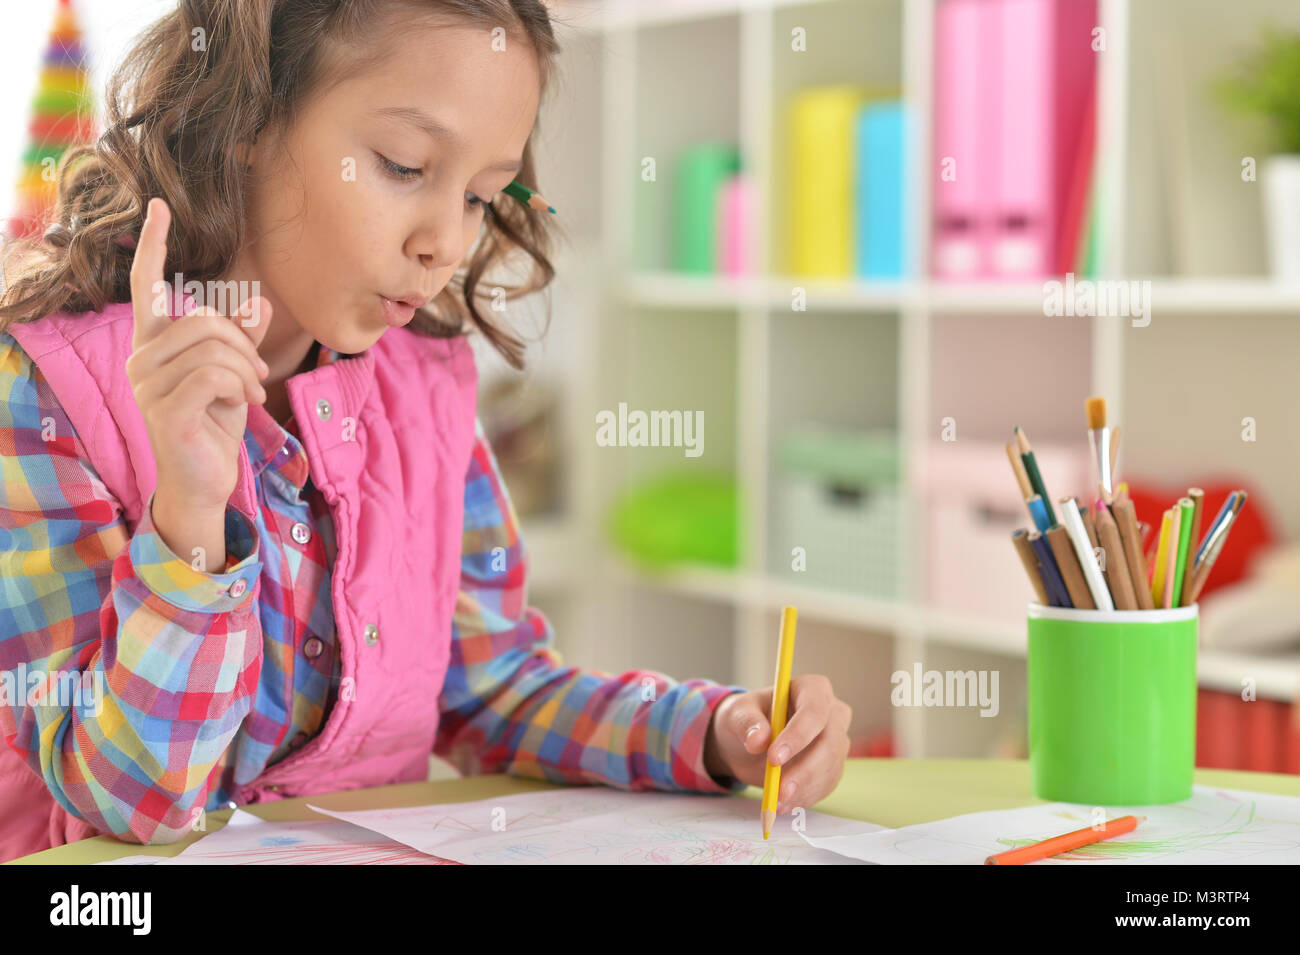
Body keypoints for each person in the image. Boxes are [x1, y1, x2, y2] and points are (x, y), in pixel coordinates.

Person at [0, 0, 850, 862]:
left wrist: (711, 732)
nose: (445, 242)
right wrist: (188, 520)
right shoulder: (43, 392)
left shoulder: (425, 382)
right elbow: (129, 800)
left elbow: (492, 690)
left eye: (484, 195)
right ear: (248, 114)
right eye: (404, 166)